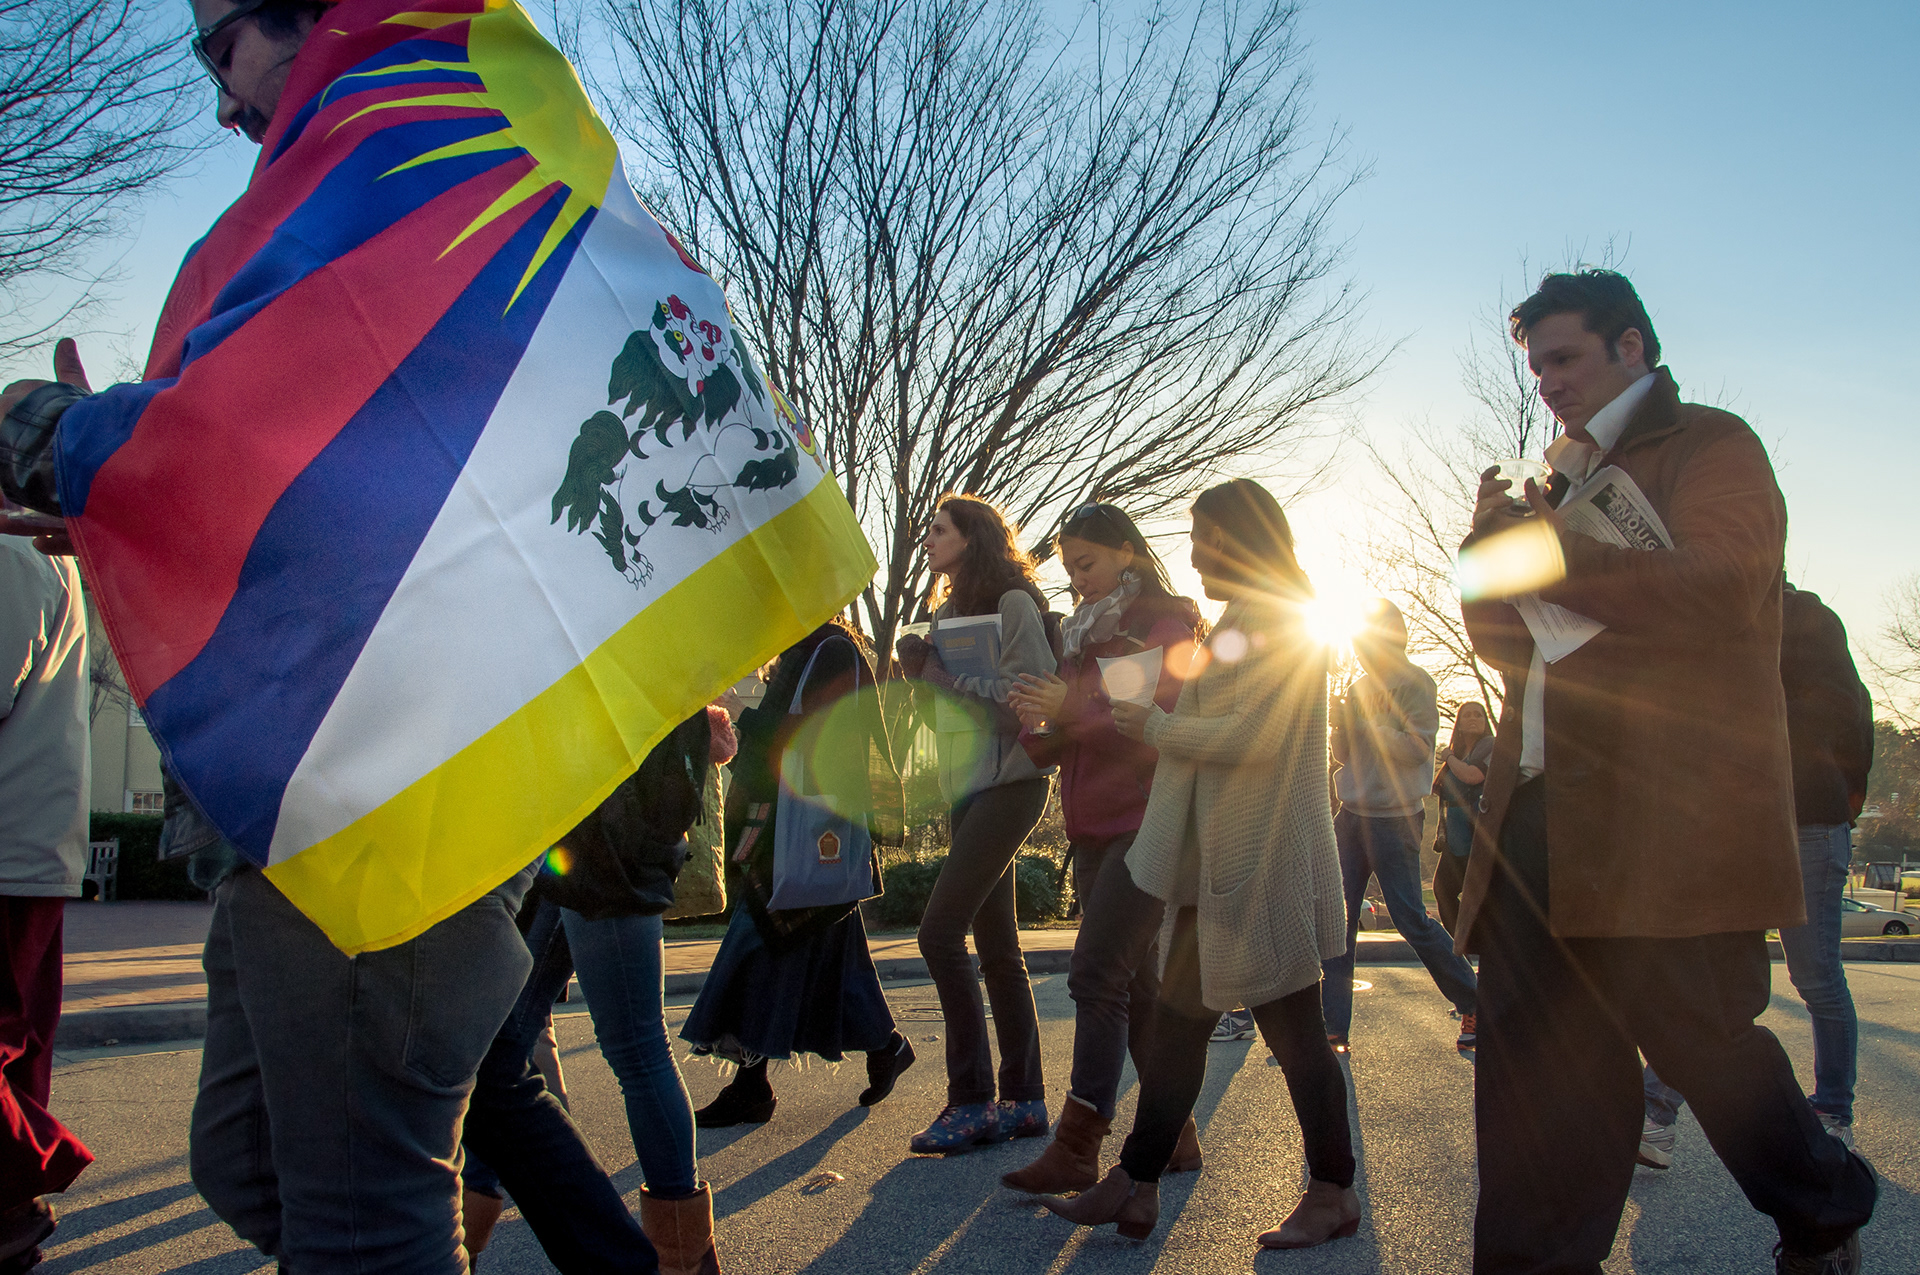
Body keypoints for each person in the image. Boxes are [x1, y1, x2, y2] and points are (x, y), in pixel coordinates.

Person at [0, 6, 547, 1270]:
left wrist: (41, 431)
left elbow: (262, 450)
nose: (220, 102)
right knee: (247, 1162)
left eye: (220, 47)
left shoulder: (394, 171)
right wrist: (124, 503)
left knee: (362, 1216)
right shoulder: (390, 175)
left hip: (370, 778)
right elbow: (310, 487)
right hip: (313, 784)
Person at [1456, 269, 1876, 1274]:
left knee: (1699, 1038)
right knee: (1533, 1067)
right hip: (1537, 805)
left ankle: (1824, 1208)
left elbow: (1726, 586)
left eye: (1565, 358)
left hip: (1663, 814)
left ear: (1632, 347)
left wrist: (1551, 553)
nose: (1549, 383)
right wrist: (1487, 548)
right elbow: (1508, 644)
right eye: (1537, 368)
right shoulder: (1555, 480)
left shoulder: (1714, 445)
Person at [1041, 479, 1358, 1249]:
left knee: (1296, 1036)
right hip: (1219, 864)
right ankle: (1135, 1180)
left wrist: (1153, 724)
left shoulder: (1281, 620)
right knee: (1181, 1031)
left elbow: (1253, 736)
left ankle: (1332, 1189)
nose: (1194, 554)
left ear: (1242, 540)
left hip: (1263, 863)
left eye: (1206, 539)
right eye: (1193, 539)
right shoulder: (1247, 618)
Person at [1000, 503, 1206, 1192]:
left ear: (1126, 552)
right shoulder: (1081, 632)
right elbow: (1070, 731)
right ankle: (1174, 1135)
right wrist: (1036, 719)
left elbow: (1145, 722)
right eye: (1069, 569)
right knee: (1135, 987)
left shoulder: (1160, 624)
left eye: (1085, 563)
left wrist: (1067, 708)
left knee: (1094, 975)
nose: (1077, 579)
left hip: (1146, 820)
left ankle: (1078, 1145)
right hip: (1091, 825)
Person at [1639, 579, 1875, 1170]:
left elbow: (1849, 713)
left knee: (1815, 974)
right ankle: (1656, 1114)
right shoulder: (1718, 617)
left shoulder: (1808, 618)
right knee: (1712, 976)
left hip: (1808, 817)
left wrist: (1753, 719)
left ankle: (1832, 1111)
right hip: (1735, 820)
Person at [683, 621, 917, 1125]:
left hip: (809, 838)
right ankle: (881, 1047)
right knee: (827, 958)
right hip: (790, 838)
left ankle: (756, 1086)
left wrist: (743, 713)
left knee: (761, 947)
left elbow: (820, 740)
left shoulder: (831, 651)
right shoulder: (799, 655)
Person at [528, 708, 727, 1275]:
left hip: (608, 836)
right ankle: (475, 1211)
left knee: (637, 1048)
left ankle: (684, 1257)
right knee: (502, 1046)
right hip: (575, 829)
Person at [894, 495, 1058, 1152]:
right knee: (998, 949)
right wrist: (919, 676)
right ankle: (1025, 1100)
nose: (928, 539)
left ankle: (971, 1100)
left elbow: (1028, 705)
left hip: (1013, 784)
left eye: (939, 529)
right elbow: (947, 715)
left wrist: (938, 673)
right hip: (965, 787)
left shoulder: (1015, 604)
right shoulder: (945, 614)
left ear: (973, 537)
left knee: (938, 934)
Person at [1320, 599, 1478, 1053]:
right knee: (1337, 921)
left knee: (1411, 918)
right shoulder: (1358, 687)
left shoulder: (1416, 683)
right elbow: (1347, 756)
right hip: (1352, 814)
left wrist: (1365, 725)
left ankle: (1474, 1000)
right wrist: (1339, 728)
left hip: (1396, 817)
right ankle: (1333, 1028)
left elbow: (1416, 749)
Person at [0, 529, 93, 1273]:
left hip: (9, 853)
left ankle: (13, 1197)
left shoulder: (11, 549)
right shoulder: (35, 544)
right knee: (18, 1048)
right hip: (27, 849)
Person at [1432, 701, 1494, 935]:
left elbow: (1472, 776)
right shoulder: (1458, 754)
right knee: (1443, 890)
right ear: (1458, 723)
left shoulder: (1489, 745)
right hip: (1455, 836)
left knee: (1480, 895)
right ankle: (1466, 943)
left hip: (1478, 834)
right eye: (1467, 715)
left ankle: (1478, 941)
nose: (1473, 718)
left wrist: (1447, 756)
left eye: (1479, 715)